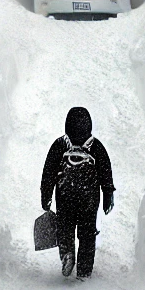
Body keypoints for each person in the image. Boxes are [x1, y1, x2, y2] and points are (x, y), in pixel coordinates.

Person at [40, 107, 115, 279]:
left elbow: (48, 173)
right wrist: (108, 195)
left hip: (65, 197)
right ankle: (84, 271)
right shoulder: (95, 146)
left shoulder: (60, 145)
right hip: (89, 199)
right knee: (87, 233)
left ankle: (67, 253)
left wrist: (46, 196)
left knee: (65, 229)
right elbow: (105, 172)